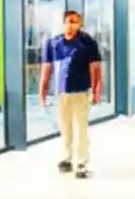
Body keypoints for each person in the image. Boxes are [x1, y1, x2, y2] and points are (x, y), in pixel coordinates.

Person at [40, 10, 103, 178]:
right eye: (69, 21)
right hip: (62, 93)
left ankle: (81, 162)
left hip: (80, 92)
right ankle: (67, 157)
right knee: (65, 127)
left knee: (81, 127)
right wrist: (42, 93)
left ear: (80, 24)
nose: (72, 25)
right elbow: (47, 70)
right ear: (64, 23)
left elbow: (95, 69)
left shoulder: (87, 43)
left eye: (76, 22)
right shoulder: (54, 44)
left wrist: (97, 90)